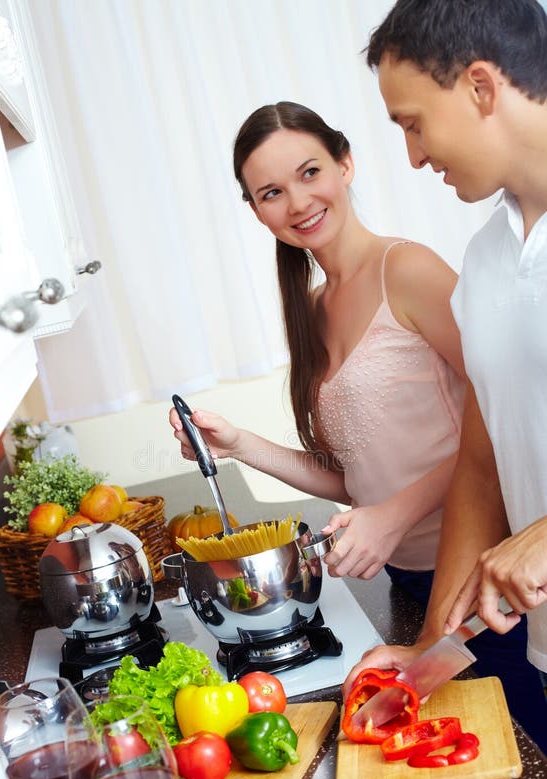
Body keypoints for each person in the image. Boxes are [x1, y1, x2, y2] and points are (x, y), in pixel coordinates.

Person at [169, 100, 546, 746]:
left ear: (345, 164)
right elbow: (358, 479)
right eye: (271, 193)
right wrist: (239, 445)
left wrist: (393, 514)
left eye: (310, 171)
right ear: (256, 210)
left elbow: (498, 433)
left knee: (523, 754)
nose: (297, 202)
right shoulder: (314, 311)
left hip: (484, 584)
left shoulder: (410, 270)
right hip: (411, 584)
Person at [343, 0, 547, 751]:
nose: (414, 156)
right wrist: (429, 652)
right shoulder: (488, 259)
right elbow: (482, 460)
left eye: (413, 122)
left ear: (482, 87)